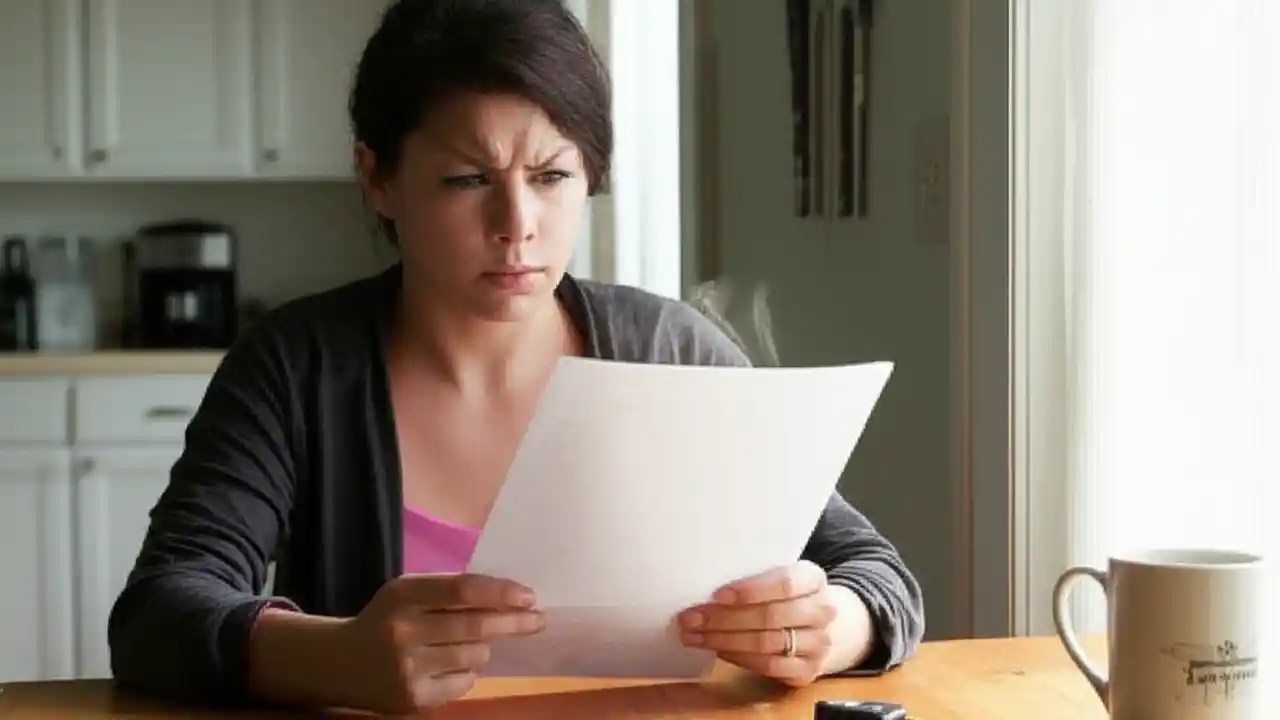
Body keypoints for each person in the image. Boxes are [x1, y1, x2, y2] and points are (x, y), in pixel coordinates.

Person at [106, 0, 925, 714]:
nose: (518, 222)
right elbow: (157, 614)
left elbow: (876, 574)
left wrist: (833, 626)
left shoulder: (670, 352)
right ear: (378, 179)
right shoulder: (296, 368)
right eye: (468, 179)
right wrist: (336, 657)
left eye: (551, 175)